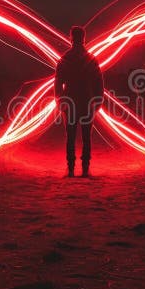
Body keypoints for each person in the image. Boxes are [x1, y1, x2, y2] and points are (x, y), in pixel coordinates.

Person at [55, 26, 104, 177]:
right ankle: (85, 168)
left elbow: (58, 83)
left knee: (70, 136)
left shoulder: (65, 58)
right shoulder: (91, 59)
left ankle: (70, 169)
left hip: (70, 102)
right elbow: (99, 83)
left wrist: (59, 99)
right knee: (86, 136)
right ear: (84, 38)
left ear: (71, 38)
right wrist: (98, 101)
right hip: (87, 101)